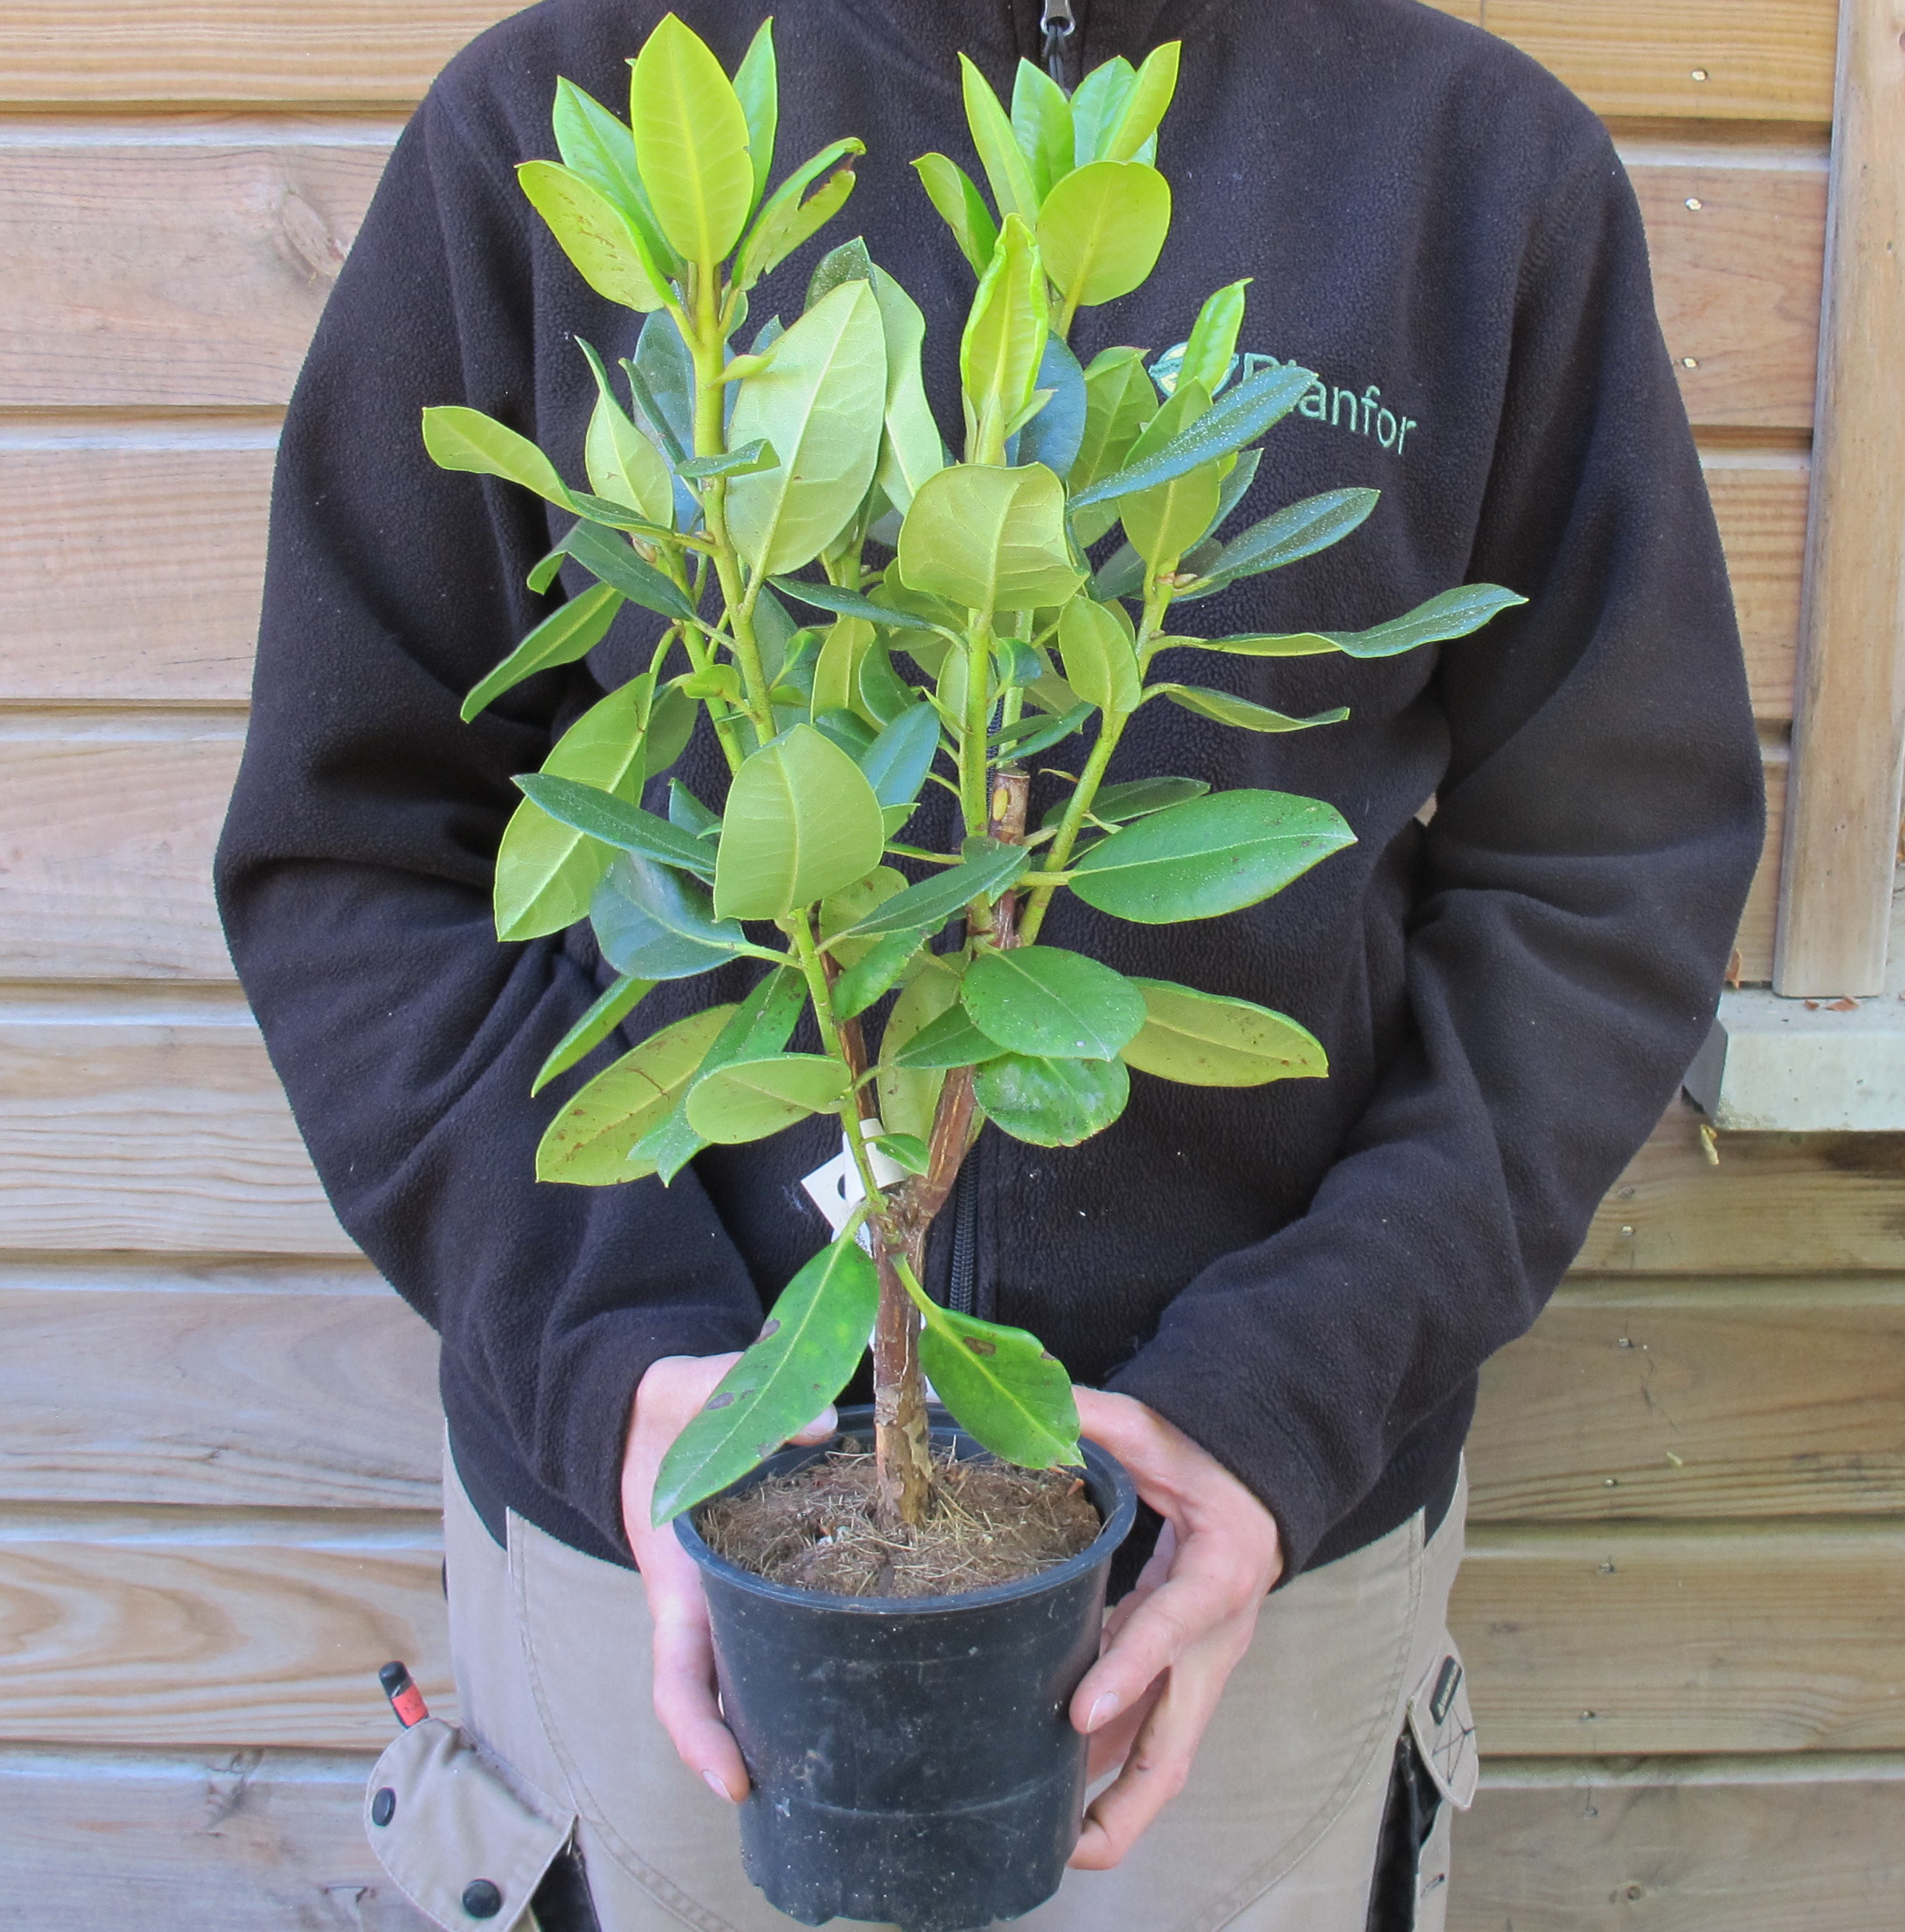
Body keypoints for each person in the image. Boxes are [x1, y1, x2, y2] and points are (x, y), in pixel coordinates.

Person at [214, 0, 1764, 1926]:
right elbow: (356, 845)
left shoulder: (1475, 168)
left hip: (1260, 1566)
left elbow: (1606, 866)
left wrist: (1291, 1392)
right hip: (658, 1549)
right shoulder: (558, 121)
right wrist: (604, 1360)